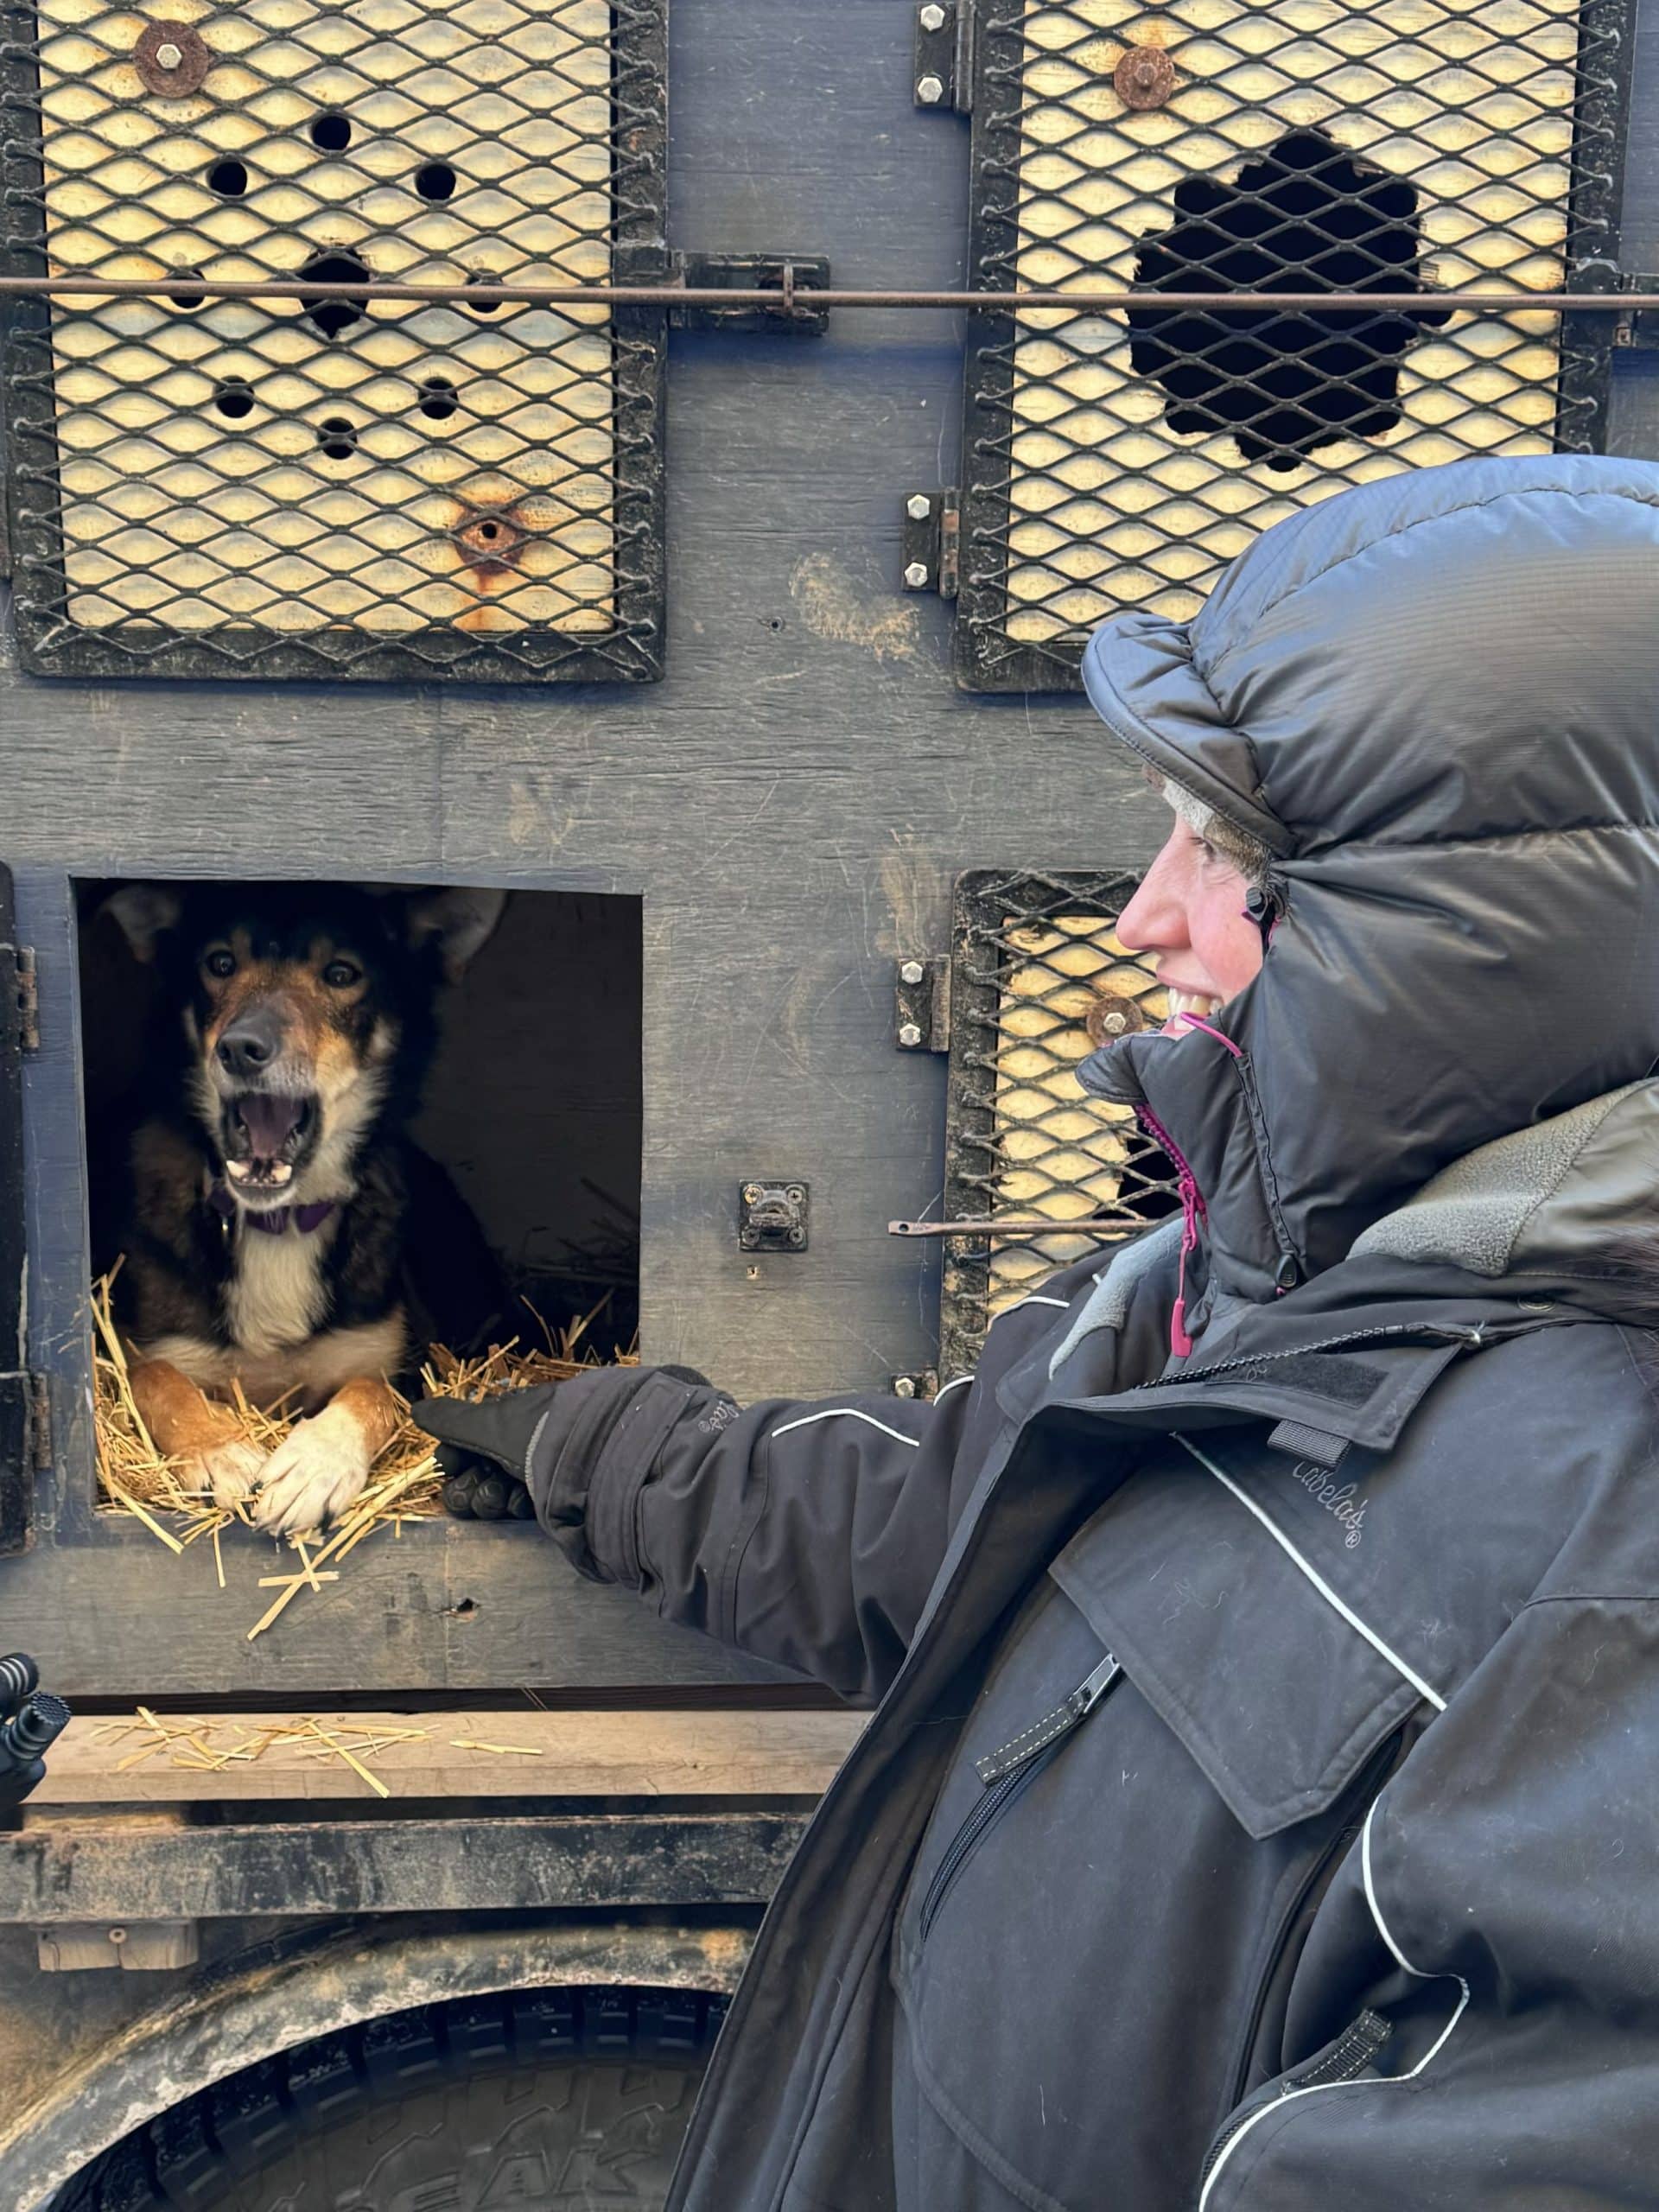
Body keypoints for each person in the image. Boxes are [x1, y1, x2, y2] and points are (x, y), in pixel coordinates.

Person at [416, 453, 1659, 2211]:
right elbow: (952, 1517)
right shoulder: (1225, 1296)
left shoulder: (1607, 1572)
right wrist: (588, 1441)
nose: (1147, 909)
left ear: (1485, 934)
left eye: (1226, 847)